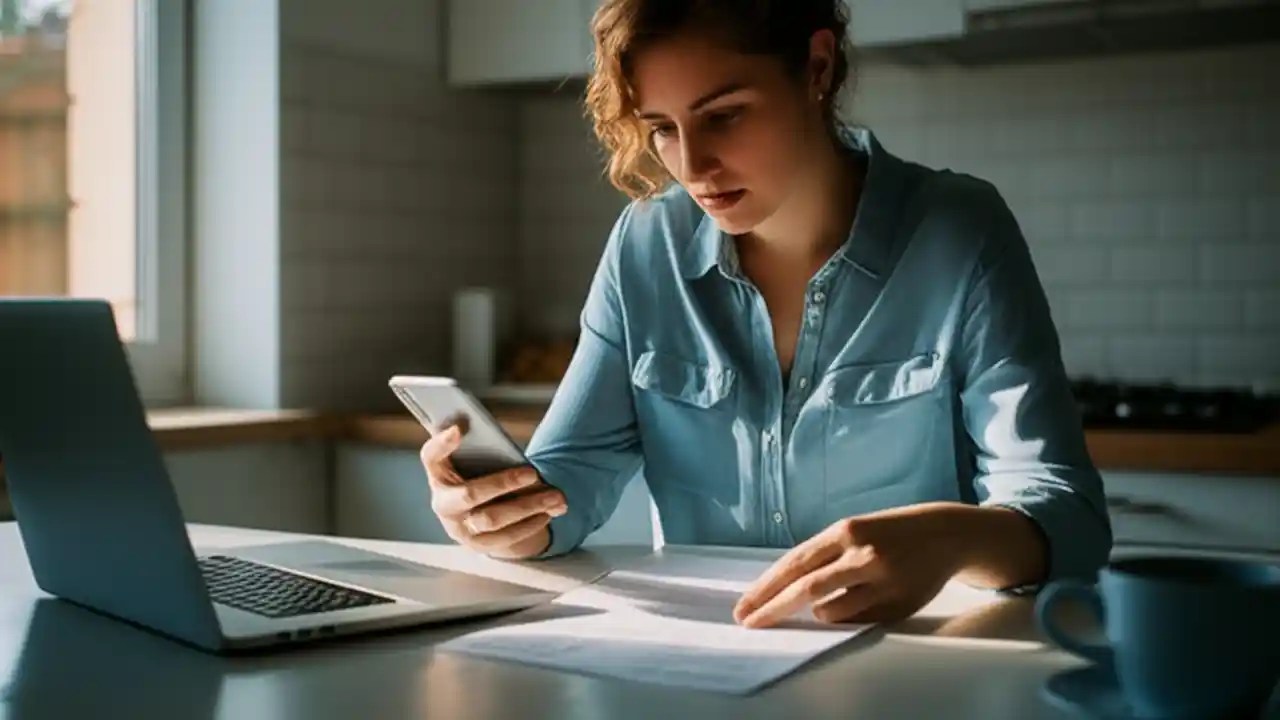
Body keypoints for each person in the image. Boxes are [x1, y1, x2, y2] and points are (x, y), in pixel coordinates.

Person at [419, 0, 1111, 629]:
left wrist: (952, 537)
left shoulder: (960, 230)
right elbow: (569, 471)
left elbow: (1069, 516)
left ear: (817, 66)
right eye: (662, 128)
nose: (693, 166)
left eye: (724, 115)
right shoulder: (644, 245)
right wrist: (500, 516)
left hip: (910, 667)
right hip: (703, 667)